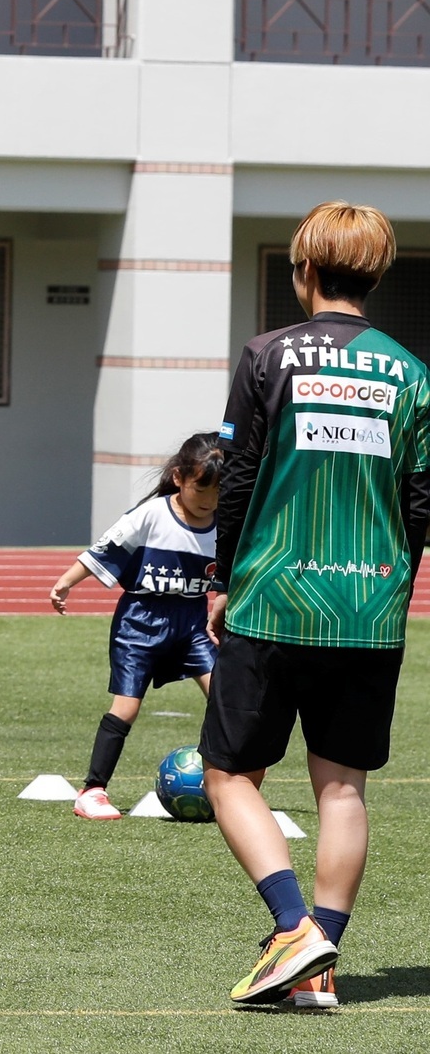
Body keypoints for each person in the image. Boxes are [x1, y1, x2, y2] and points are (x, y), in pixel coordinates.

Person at [202, 201, 430, 1006]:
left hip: (274, 598)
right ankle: (320, 969)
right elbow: (421, 501)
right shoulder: (412, 372)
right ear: (376, 275)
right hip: (370, 607)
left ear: (304, 270)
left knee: (228, 775)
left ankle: (295, 928)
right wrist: (390, 584)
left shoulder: (267, 355)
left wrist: (222, 577)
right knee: (342, 788)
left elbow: (236, 478)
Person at [50, 432, 222, 819]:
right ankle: (92, 790)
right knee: (126, 708)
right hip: (140, 623)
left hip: (193, 624)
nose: (209, 501)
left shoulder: (225, 524)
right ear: (178, 478)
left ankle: (232, 781)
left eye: (218, 493)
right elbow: (104, 550)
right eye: (202, 490)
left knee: (225, 699)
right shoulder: (152, 515)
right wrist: (65, 582)